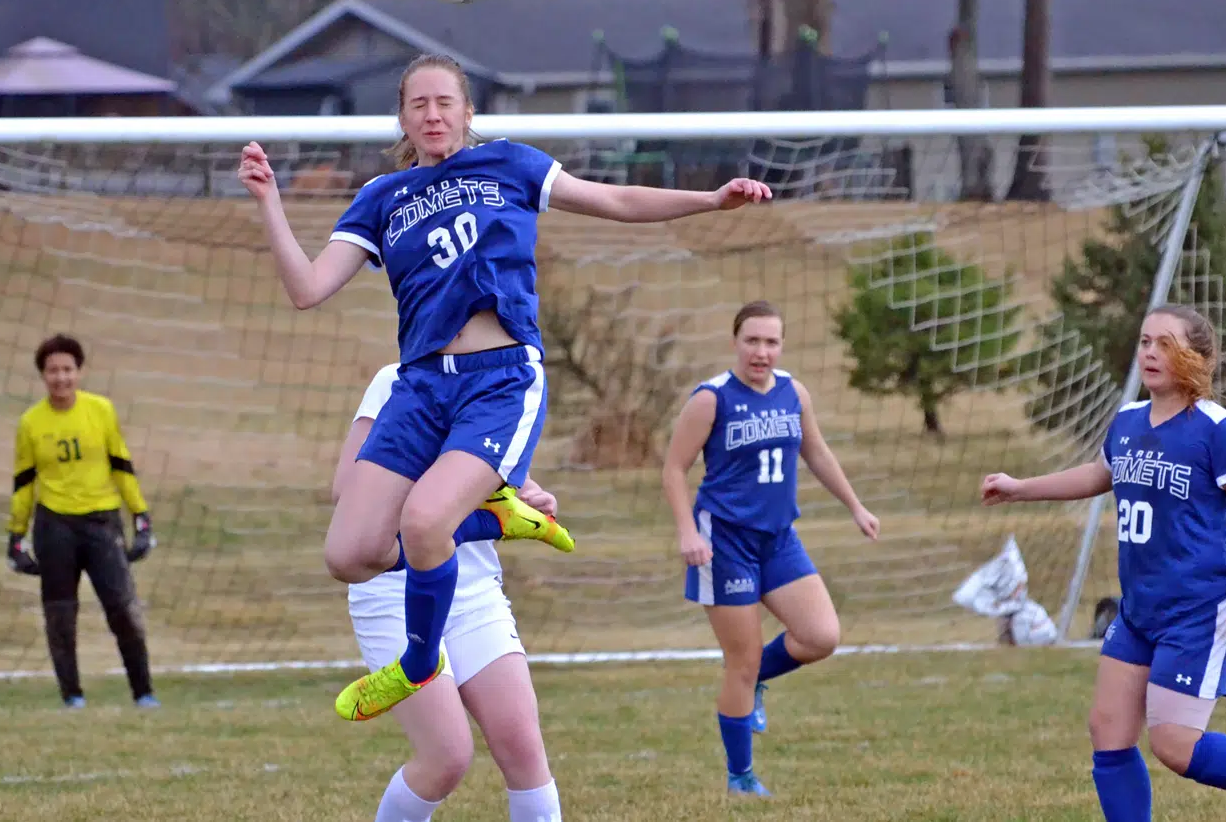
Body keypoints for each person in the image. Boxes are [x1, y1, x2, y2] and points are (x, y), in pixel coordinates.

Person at [237, 51, 772, 721]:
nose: (432, 114)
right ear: (402, 118)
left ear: (467, 112)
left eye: (444, 102)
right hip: (419, 387)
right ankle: (494, 515)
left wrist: (710, 200)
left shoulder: (509, 164)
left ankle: (415, 662)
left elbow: (614, 199)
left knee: (425, 521)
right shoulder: (380, 199)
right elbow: (307, 289)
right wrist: (269, 203)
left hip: (497, 382)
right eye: (417, 104)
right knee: (349, 555)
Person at [981, 304, 1226, 822]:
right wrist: (1019, 488)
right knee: (1109, 730)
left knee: (1174, 744)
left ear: (1196, 357)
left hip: (1200, 609)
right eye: (1145, 341)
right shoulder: (1126, 421)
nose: (1149, 352)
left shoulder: (1217, 430)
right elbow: (1098, 475)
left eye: (1165, 343)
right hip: (1140, 607)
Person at [659, 301, 880, 796]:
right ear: (735, 342)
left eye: (771, 342)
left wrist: (855, 506)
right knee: (741, 659)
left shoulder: (792, 392)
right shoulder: (711, 399)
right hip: (725, 543)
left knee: (821, 636)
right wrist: (686, 532)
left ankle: (760, 678)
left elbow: (816, 451)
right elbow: (674, 469)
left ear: (782, 345)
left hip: (779, 538)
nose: (762, 352)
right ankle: (741, 778)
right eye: (752, 341)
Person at [342, 363, 562, 822]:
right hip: (392, 592)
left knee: (522, 744)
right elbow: (346, 490)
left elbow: (508, 481)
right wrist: (442, 503)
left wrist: (534, 500)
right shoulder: (393, 382)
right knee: (447, 757)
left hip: (474, 588)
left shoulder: (498, 384)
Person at [6, 333, 158, 709]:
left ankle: (144, 693)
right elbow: (24, 484)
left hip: (101, 524)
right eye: (53, 371)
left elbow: (121, 466)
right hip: (54, 526)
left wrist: (141, 516)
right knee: (61, 616)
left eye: (68, 369)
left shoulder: (101, 410)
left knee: (123, 609)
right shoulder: (30, 423)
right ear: (43, 375)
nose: (61, 378)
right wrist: (15, 536)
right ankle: (72, 696)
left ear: (80, 371)